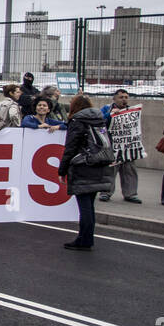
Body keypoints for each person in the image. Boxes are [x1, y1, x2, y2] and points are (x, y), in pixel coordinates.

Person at [59, 94, 113, 250]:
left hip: (83, 166)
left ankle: (84, 240)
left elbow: (70, 148)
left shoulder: (77, 121)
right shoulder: (99, 119)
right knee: (90, 205)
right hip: (99, 164)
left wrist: (62, 170)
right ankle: (86, 238)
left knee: (84, 206)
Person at [99, 89, 143, 204]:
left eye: (126, 97)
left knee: (129, 170)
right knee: (110, 170)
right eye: (121, 97)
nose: (124, 99)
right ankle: (105, 192)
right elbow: (99, 121)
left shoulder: (131, 111)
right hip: (112, 145)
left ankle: (130, 194)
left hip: (127, 146)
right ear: (114, 98)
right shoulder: (106, 109)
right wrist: (110, 114)